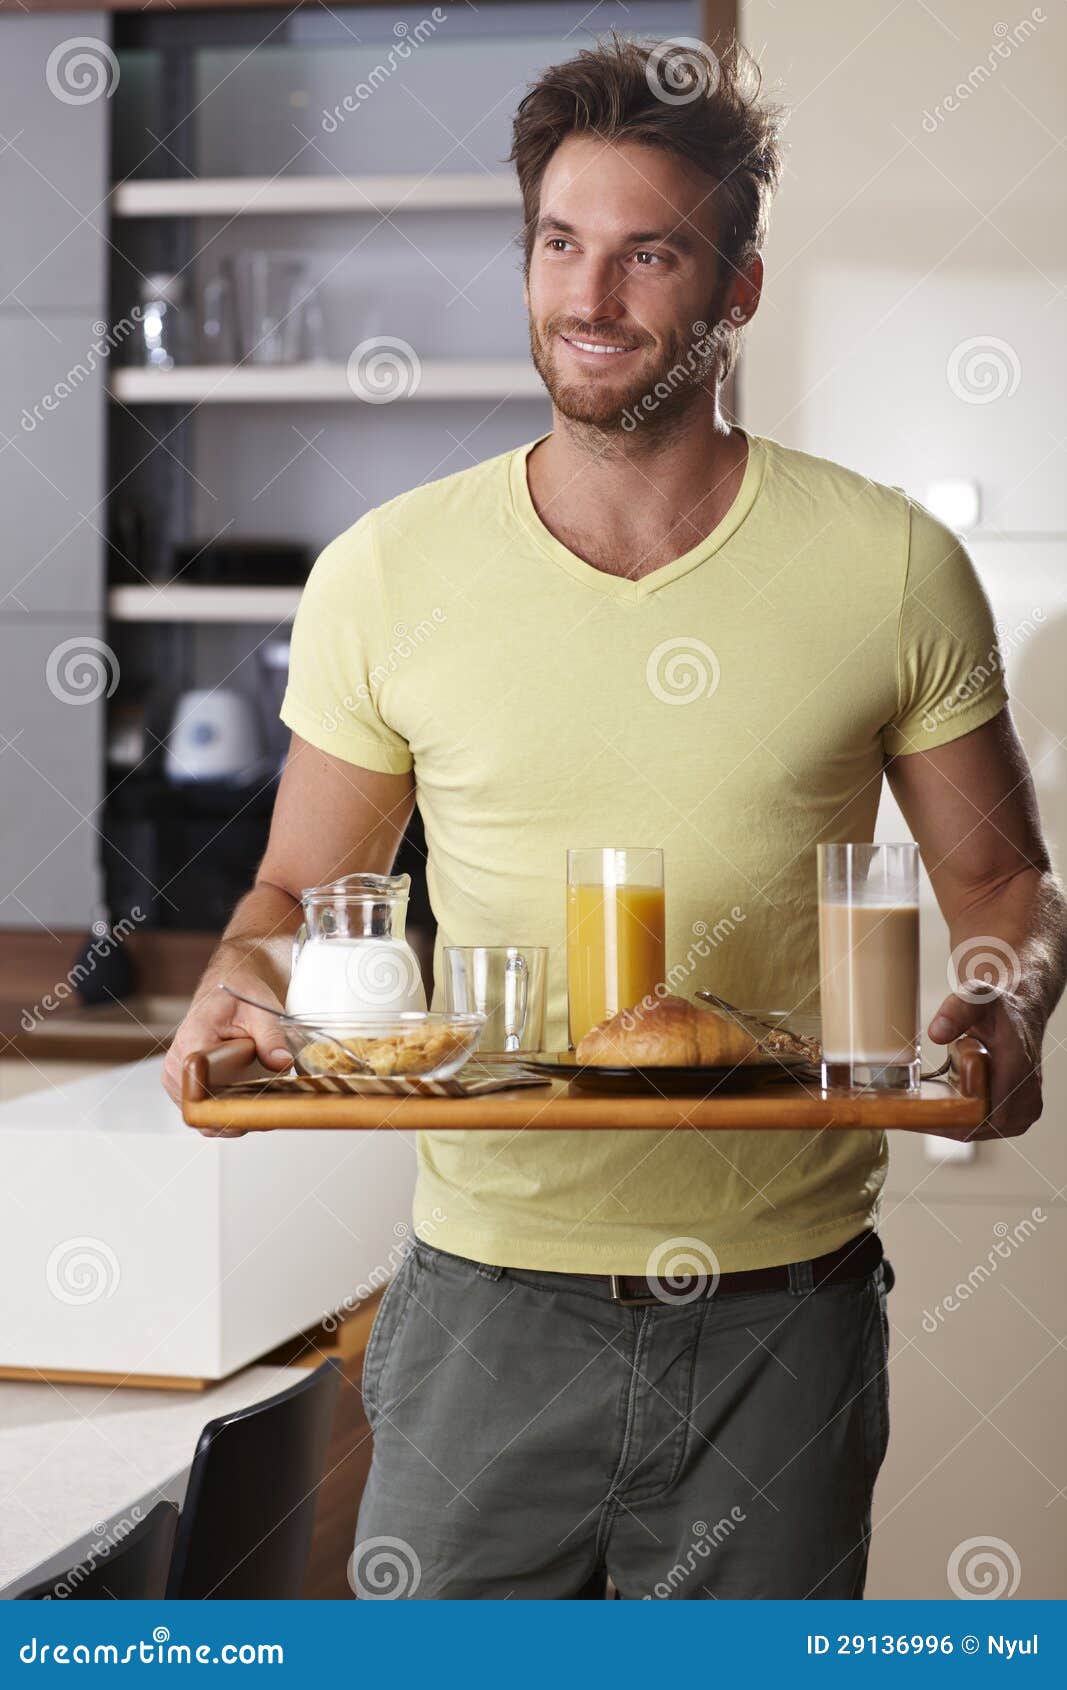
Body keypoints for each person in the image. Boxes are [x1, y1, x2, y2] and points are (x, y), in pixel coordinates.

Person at [162, 36, 1065, 1599]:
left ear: (740, 288)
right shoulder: (388, 573)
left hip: (784, 1322)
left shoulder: (893, 565)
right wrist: (246, 983)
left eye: (650, 253)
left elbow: (1001, 879)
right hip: (484, 1311)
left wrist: (1005, 1001)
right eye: (560, 247)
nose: (591, 299)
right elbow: (301, 893)